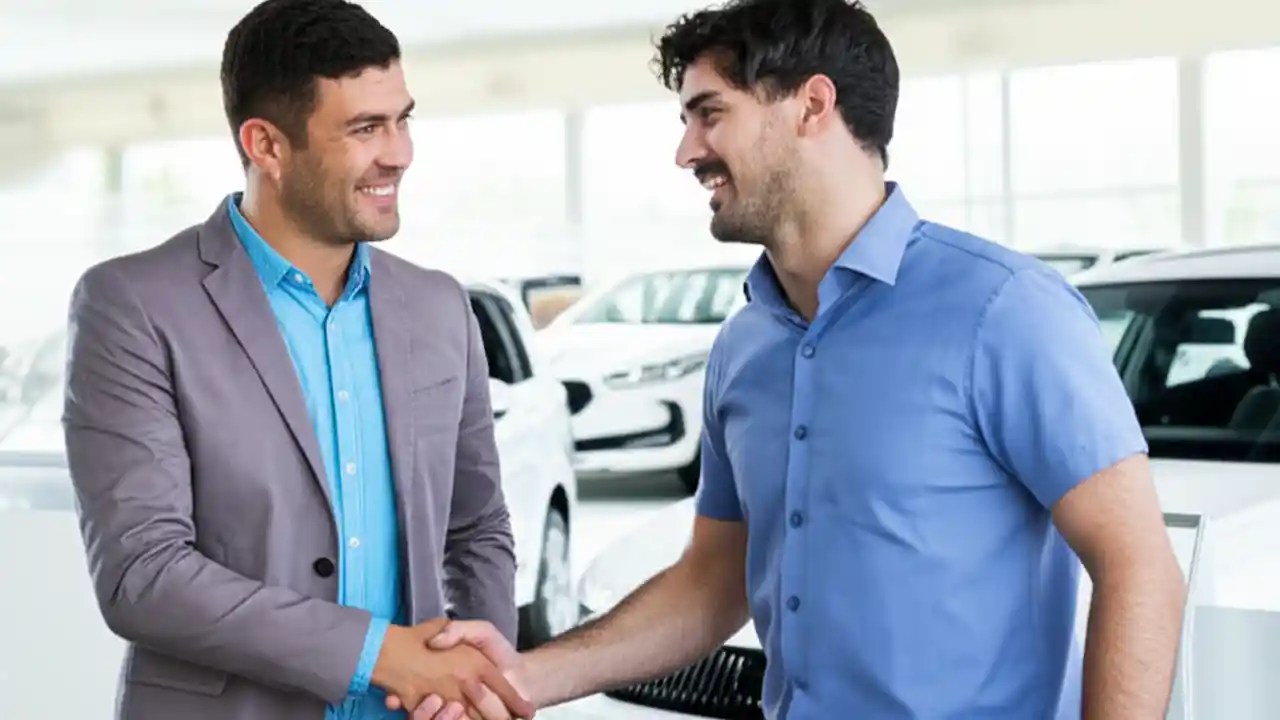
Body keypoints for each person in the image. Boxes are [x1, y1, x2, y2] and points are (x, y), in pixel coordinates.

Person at [416, 0, 1188, 718]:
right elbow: (713, 580)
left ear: (813, 106)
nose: (687, 151)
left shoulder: (1005, 310)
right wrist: (523, 677)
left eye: (709, 114)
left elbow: (1139, 569)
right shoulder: (744, 347)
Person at [60, 1, 532, 718]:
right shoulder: (132, 305)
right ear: (267, 147)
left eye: (403, 119)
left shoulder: (440, 307)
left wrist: (478, 679)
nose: (399, 152)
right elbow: (144, 574)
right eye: (366, 128)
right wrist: (379, 654)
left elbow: (476, 527)